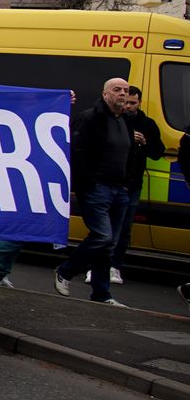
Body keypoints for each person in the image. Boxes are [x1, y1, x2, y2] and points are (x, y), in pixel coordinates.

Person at [54, 78, 134, 306]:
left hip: (119, 188)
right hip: (97, 188)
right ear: (105, 93)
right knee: (102, 236)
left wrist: (127, 183)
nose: (122, 94)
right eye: (117, 90)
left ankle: (102, 293)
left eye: (126, 91)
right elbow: (77, 153)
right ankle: (65, 271)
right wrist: (87, 184)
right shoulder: (90, 118)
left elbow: (129, 154)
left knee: (108, 245)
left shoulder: (125, 120)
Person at [108, 85, 164, 283]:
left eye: (133, 103)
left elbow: (158, 153)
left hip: (132, 184)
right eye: (127, 102)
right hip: (111, 181)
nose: (129, 106)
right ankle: (96, 267)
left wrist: (145, 142)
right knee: (106, 227)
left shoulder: (147, 124)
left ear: (140, 103)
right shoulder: (114, 120)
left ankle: (114, 266)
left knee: (124, 229)